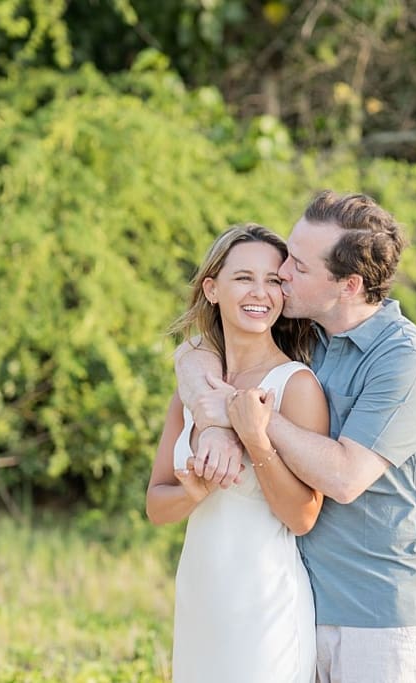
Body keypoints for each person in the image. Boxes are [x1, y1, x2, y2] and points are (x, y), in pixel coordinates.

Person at [175, 191, 416, 683]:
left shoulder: (405, 362)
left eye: (298, 267)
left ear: (348, 285)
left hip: (379, 615)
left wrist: (255, 418)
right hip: (299, 605)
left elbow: (345, 477)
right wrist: (213, 417)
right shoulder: (308, 333)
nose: (283, 274)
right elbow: (198, 346)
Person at [145, 224, 329, 683]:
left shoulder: (296, 385)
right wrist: (196, 491)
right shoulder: (194, 388)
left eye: (273, 281)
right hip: (201, 594)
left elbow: (304, 516)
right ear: (212, 288)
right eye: (244, 278)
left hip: (266, 603)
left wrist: (256, 441)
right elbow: (157, 506)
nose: (260, 293)